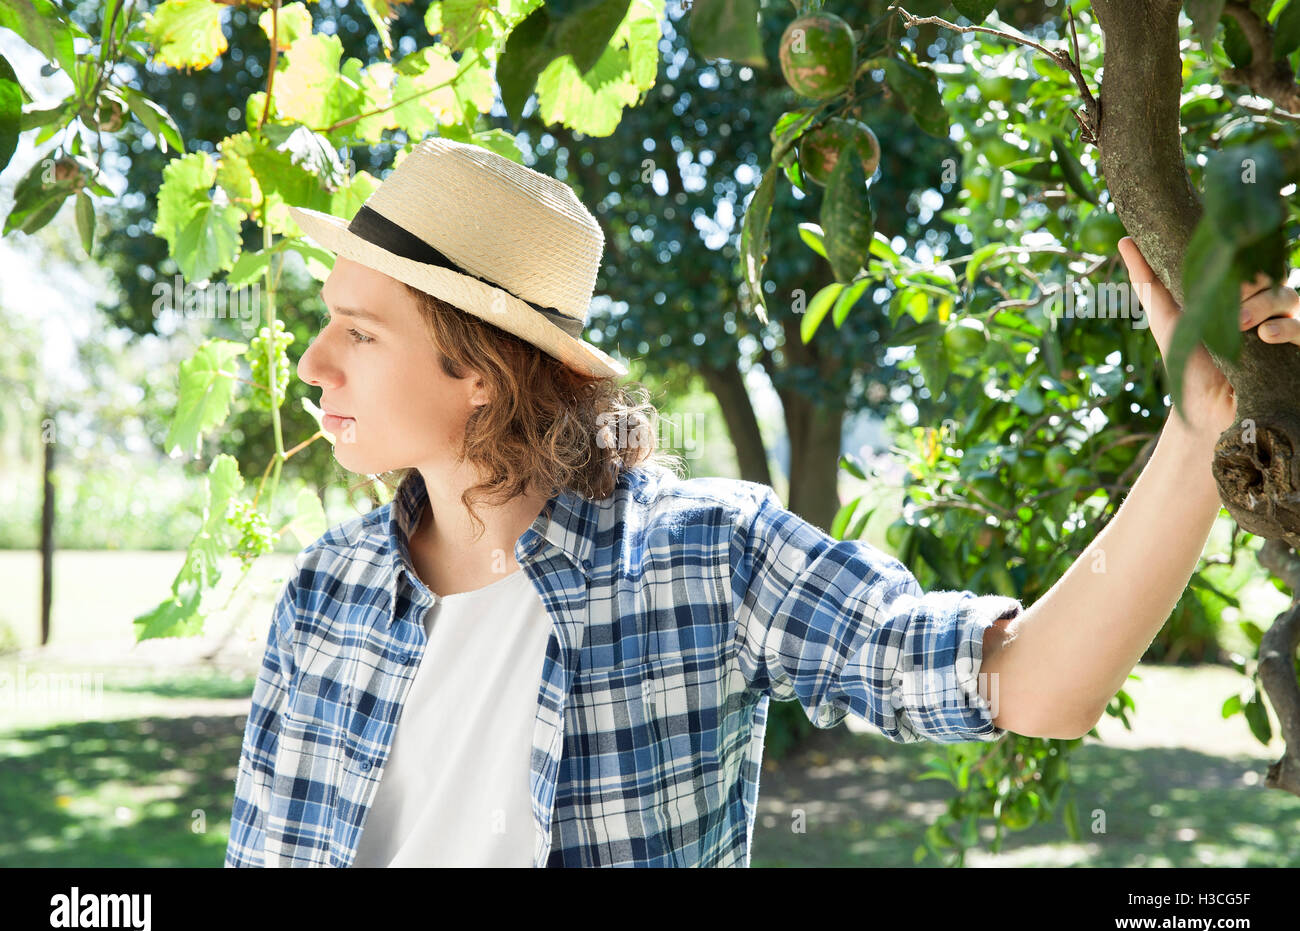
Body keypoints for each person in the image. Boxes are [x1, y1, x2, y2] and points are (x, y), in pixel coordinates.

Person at [225, 137, 1300, 868]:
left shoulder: (707, 558)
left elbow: (1030, 686)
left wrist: (1197, 431)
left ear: (480, 373)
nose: (315, 364)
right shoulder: (327, 591)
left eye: (360, 333)